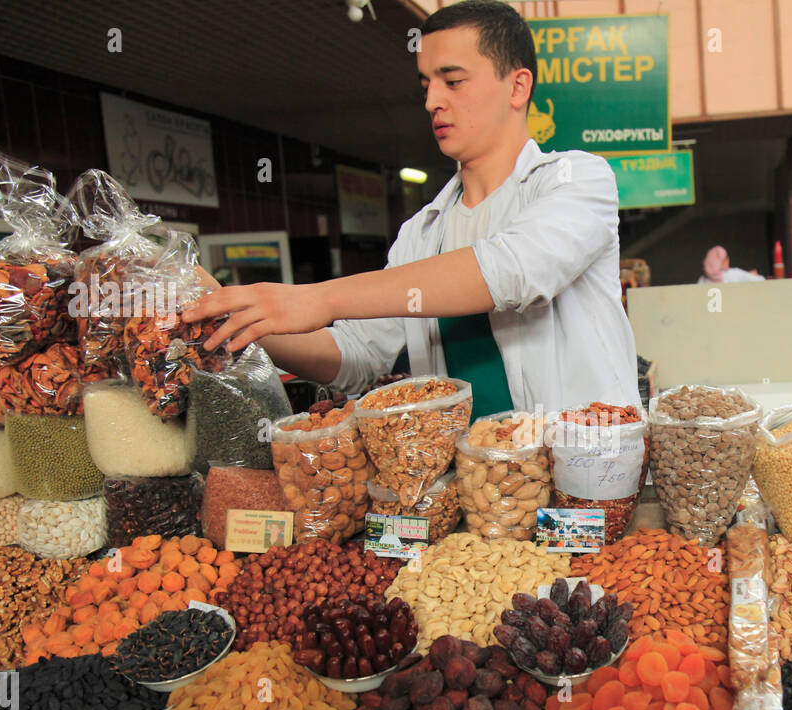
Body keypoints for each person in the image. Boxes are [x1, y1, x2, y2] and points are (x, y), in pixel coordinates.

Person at [185, 0, 639, 418]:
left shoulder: (578, 180)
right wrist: (240, 320)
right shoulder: (421, 235)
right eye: (426, 85)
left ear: (517, 86)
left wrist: (317, 297)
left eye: (453, 81)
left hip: (578, 486)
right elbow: (357, 354)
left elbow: (511, 271)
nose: (431, 101)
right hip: (470, 485)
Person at [697, 246, 764, 283]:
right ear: (723, 260)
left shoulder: (702, 280)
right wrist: (749, 275)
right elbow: (761, 280)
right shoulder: (732, 274)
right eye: (726, 258)